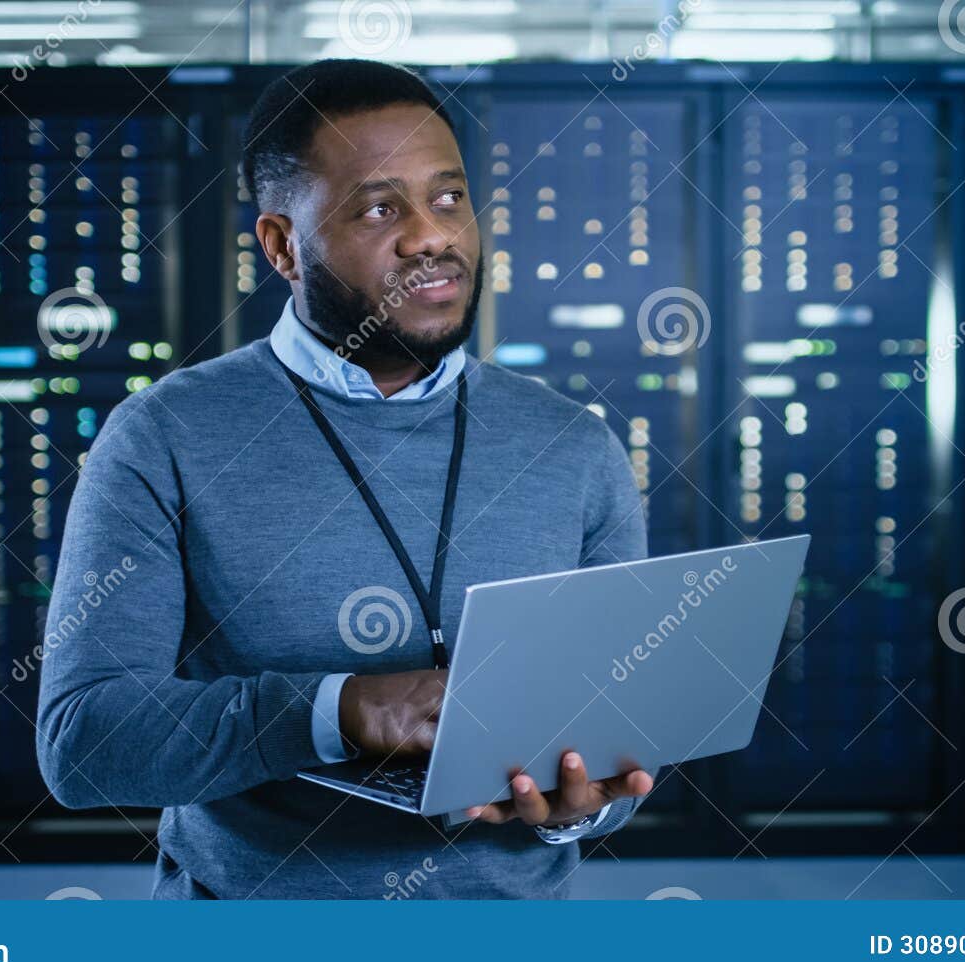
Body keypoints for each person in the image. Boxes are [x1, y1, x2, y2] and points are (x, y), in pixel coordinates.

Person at [34, 59, 655, 899]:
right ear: (283, 246)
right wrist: (341, 711)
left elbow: (628, 738)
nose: (431, 236)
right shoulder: (164, 435)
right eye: (379, 207)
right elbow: (85, 745)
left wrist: (579, 807)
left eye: (448, 198)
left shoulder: (576, 447)